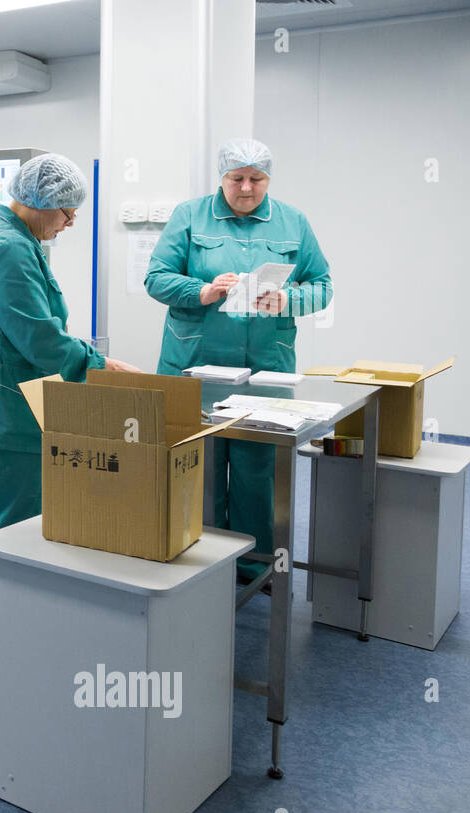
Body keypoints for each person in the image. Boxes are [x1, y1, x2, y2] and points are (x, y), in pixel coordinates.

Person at [0, 154, 141, 695]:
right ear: (35, 200)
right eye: (65, 210)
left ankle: (17, 650)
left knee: (18, 536)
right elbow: (39, 339)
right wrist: (99, 364)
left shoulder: (20, 242)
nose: (71, 221)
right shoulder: (6, 248)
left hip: (16, 410)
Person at [145, 138, 332, 584]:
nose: (246, 188)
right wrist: (202, 291)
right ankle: (198, 565)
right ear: (222, 177)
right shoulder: (190, 217)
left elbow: (322, 285)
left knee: (255, 470)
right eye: (237, 179)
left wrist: (287, 299)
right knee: (197, 468)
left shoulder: (293, 222)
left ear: (268, 178)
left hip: (265, 370)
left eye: (256, 179)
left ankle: (253, 568)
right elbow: (156, 278)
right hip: (195, 365)